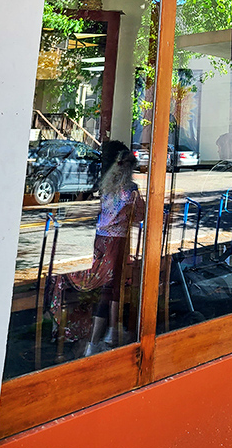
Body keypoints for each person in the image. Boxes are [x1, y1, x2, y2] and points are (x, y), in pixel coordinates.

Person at [84, 144, 145, 355]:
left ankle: (104, 335)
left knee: (106, 284)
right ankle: (109, 331)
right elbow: (139, 215)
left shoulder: (107, 187)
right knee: (114, 284)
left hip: (101, 239)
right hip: (117, 240)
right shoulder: (130, 191)